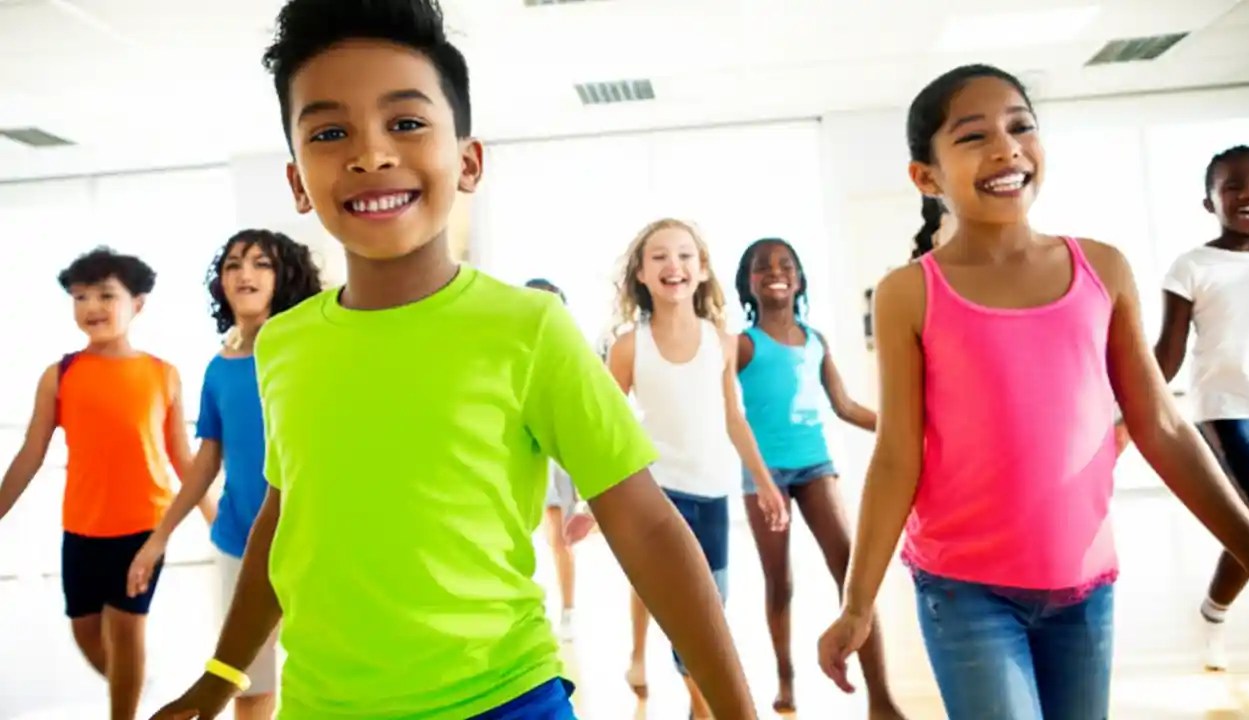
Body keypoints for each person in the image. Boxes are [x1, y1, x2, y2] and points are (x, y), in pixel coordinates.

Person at [149, 1, 758, 718]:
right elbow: (285, 523)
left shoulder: (529, 327)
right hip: (324, 706)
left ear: (467, 161)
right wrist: (221, 675)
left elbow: (646, 526)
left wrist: (736, 712)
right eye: (330, 131)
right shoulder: (284, 346)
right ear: (296, 183)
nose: (370, 153)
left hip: (505, 697)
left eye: (406, 123)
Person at [815, 64, 1249, 719]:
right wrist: (857, 602)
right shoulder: (909, 294)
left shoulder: (1103, 268)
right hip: (964, 587)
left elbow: (1163, 427)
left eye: (1021, 126)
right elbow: (896, 455)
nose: (1006, 147)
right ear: (927, 176)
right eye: (973, 136)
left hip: (1085, 585)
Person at [0, 246, 207, 720]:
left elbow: (182, 456)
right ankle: (137, 688)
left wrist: (216, 518)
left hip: (143, 528)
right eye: (80, 296)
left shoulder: (162, 374)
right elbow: (31, 452)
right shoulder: (60, 374)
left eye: (105, 295)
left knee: (128, 628)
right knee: (86, 630)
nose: (91, 307)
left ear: (137, 303)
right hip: (81, 527)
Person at [127, 230, 322, 718]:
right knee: (247, 684)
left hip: (313, 538)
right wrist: (159, 538)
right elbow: (205, 462)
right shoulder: (218, 368)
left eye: (261, 264)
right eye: (234, 264)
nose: (245, 274)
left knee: (322, 676)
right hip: (239, 540)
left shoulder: (307, 352)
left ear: (285, 278)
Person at [607, 218, 788, 719]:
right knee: (680, 609)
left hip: (712, 494)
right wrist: (588, 501)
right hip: (658, 496)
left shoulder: (721, 342)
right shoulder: (628, 347)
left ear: (702, 269)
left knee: (713, 607)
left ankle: (696, 697)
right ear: (641, 274)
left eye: (685, 255)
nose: (674, 266)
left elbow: (734, 417)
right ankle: (701, 705)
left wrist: (766, 483)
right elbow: (605, 431)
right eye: (659, 257)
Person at [733, 237, 903, 718]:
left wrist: (906, 425)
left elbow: (845, 407)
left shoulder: (815, 341)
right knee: (778, 580)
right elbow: (728, 411)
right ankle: (786, 680)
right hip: (764, 473)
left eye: (784, 265)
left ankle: (882, 698)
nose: (774, 272)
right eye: (761, 267)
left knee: (852, 571)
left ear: (799, 278)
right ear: (749, 283)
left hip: (814, 465)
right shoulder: (743, 345)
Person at [1148, 145, 1249, 672]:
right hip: (1226, 411)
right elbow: (1168, 353)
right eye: (1232, 186)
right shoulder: (1193, 266)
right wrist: (1124, 414)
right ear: (1209, 202)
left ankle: (1212, 614)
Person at [523, 277, 598, 640]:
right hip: (527, 456)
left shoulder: (574, 357)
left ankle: (568, 610)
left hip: (561, 458)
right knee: (540, 535)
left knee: (560, 537)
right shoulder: (513, 353)